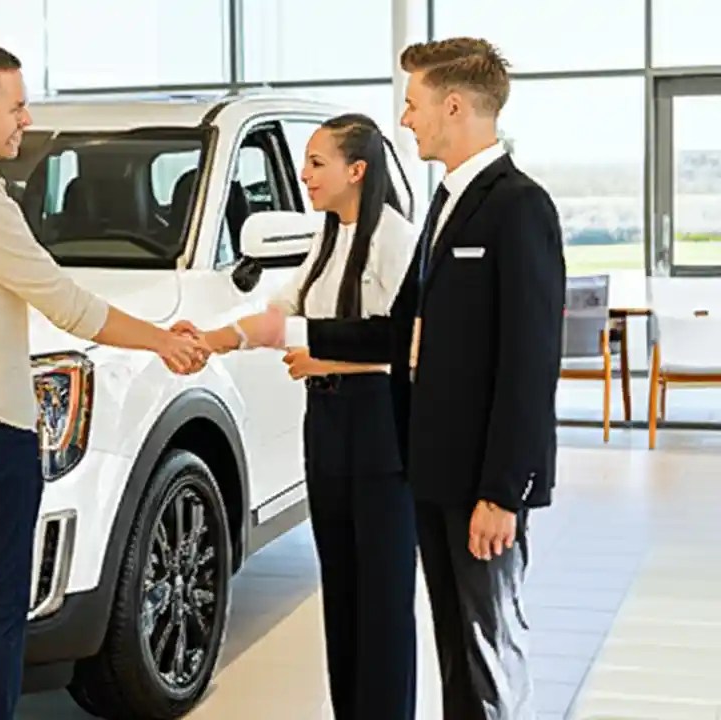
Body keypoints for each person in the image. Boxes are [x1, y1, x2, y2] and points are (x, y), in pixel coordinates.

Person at [0, 42, 209, 720]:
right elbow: (66, 303)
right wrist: (160, 338)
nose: (26, 120)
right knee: (3, 604)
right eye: (15, 107)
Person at [176, 113, 419, 720]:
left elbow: (410, 344)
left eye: (316, 163)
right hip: (330, 428)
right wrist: (206, 337)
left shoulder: (394, 238)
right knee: (340, 586)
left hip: (382, 431)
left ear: (356, 170)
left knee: (383, 599)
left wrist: (323, 358)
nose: (303, 175)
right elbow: (279, 312)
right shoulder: (329, 235)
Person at [393, 37, 565, 719]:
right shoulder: (444, 203)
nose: (406, 120)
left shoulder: (518, 206)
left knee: (487, 655)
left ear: (455, 105)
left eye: (413, 104)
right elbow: (407, 327)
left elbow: (529, 362)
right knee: (455, 652)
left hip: (482, 483)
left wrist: (502, 491)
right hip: (435, 470)